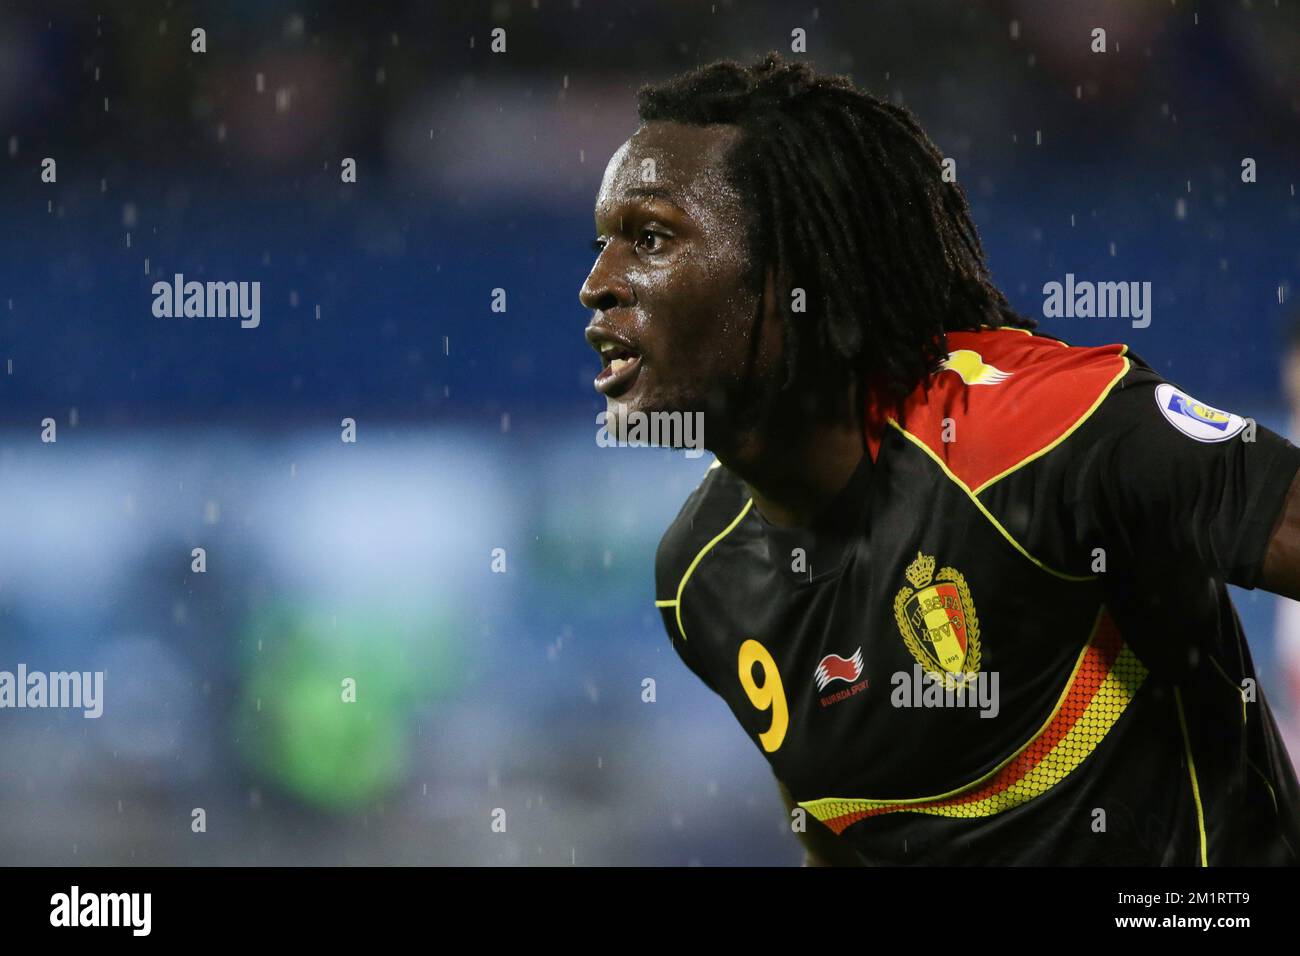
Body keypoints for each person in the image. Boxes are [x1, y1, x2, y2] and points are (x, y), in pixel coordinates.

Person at [578, 52, 1300, 865]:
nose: (597, 283)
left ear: (796, 274)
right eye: (602, 243)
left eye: (649, 237)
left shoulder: (1045, 428)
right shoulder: (700, 577)